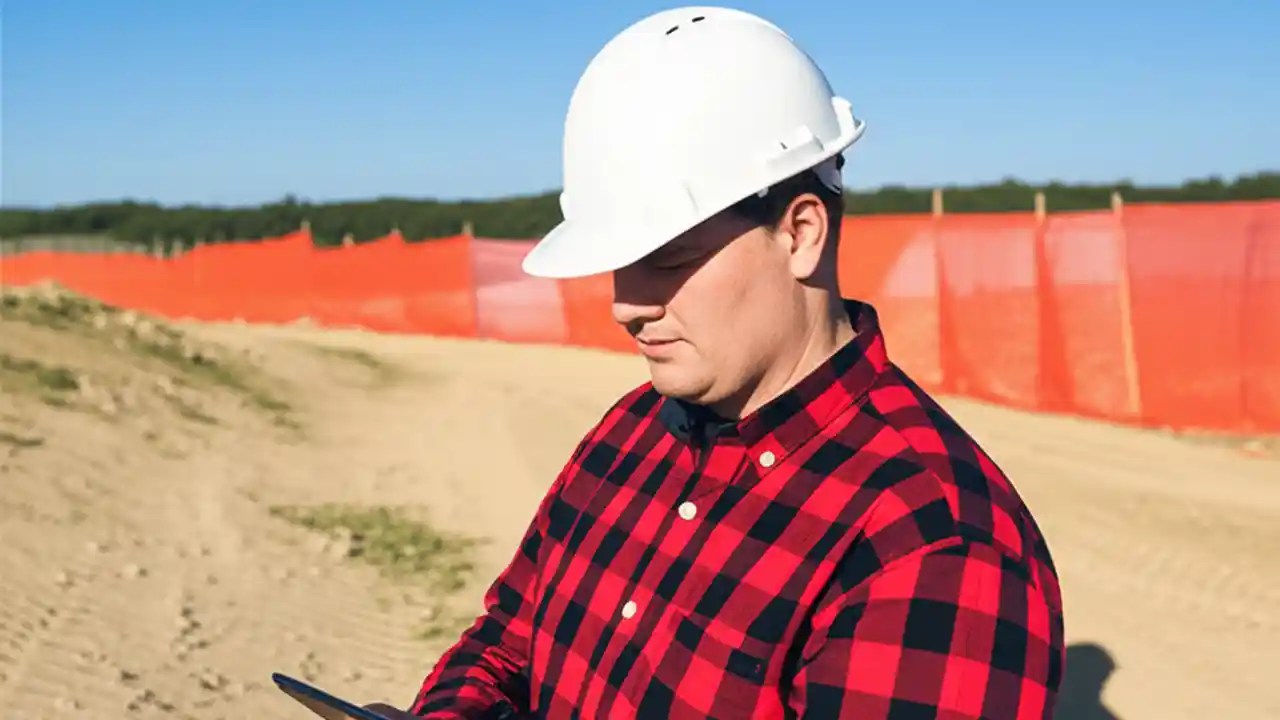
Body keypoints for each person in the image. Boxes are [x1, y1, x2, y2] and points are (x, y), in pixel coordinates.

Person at [368, 6, 1065, 718]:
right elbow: (509, 641)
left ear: (799, 233)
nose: (625, 306)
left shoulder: (932, 545)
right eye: (616, 266)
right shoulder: (633, 431)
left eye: (667, 261)